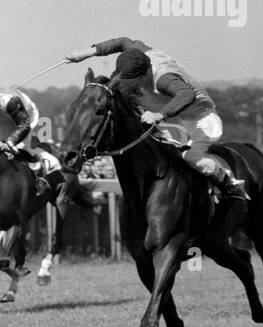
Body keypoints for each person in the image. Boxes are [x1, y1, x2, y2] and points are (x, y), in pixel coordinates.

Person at [65, 37, 248, 204]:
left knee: (192, 158)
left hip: (199, 118)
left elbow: (186, 94)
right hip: (171, 114)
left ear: (144, 75)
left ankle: (231, 189)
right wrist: (87, 53)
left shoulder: (163, 79)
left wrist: (158, 115)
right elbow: (122, 42)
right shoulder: (139, 53)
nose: (124, 84)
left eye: (129, 80)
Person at [0, 81, 66, 197]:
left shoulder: (11, 102)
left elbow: (24, 125)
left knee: (21, 148)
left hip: (26, 117)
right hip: (4, 119)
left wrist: (10, 142)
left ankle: (39, 179)